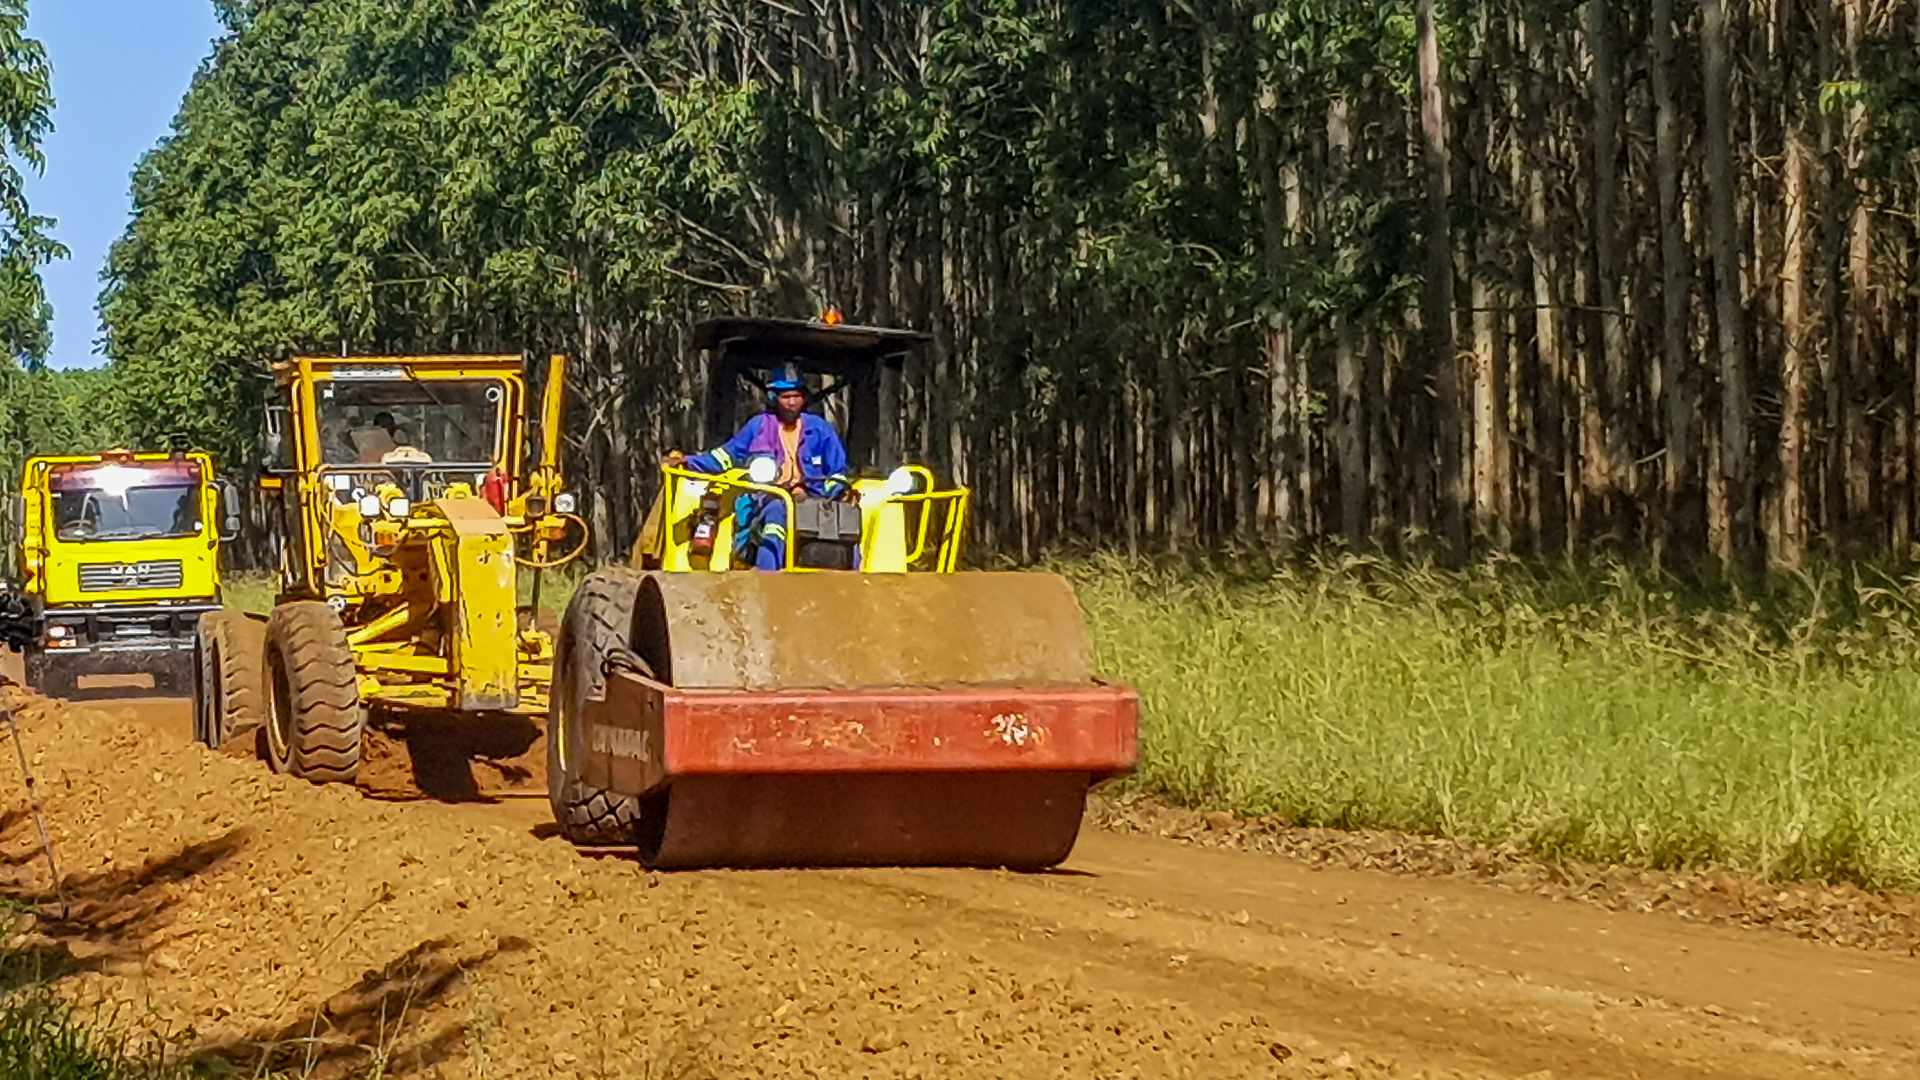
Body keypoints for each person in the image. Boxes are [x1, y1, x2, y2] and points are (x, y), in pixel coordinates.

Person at [669, 361, 854, 570]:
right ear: (774, 398)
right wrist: (689, 462)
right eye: (786, 397)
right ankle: (767, 578)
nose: (792, 402)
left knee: (847, 521)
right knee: (775, 517)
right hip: (770, 498)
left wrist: (829, 496)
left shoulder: (820, 429)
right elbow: (725, 456)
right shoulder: (759, 426)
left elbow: (838, 471)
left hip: (814, 499)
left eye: (796, 396)